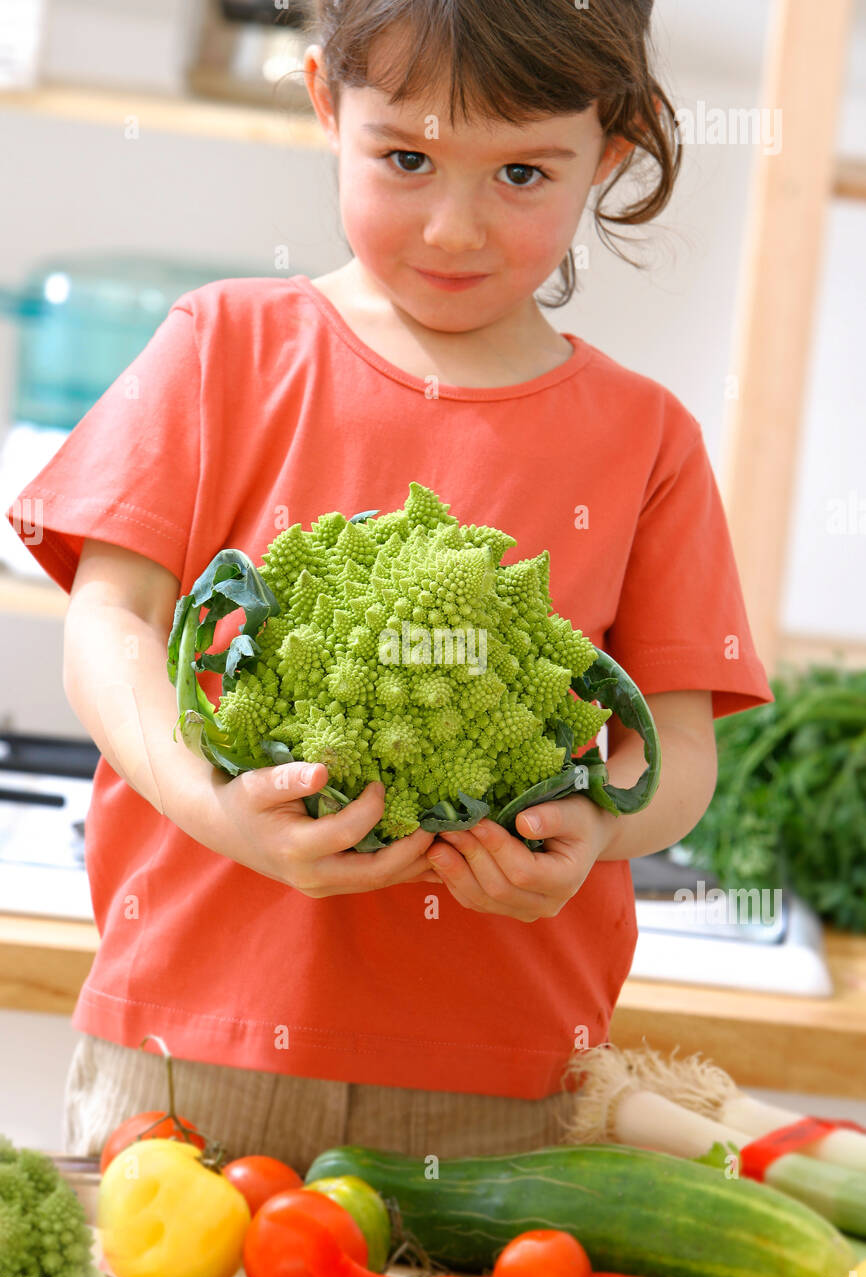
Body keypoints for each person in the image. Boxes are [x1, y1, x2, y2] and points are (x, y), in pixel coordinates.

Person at [6, 0, 773, 1176]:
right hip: (188, 1045)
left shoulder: (645, 441)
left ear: (609, 153)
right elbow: (109, 624)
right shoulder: (222, 348)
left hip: (503, 1087)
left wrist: (599, 826)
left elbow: (675, 746)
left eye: (522, 171)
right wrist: (212, 806)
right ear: (325, 102)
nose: (454, 227)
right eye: (404, 158)